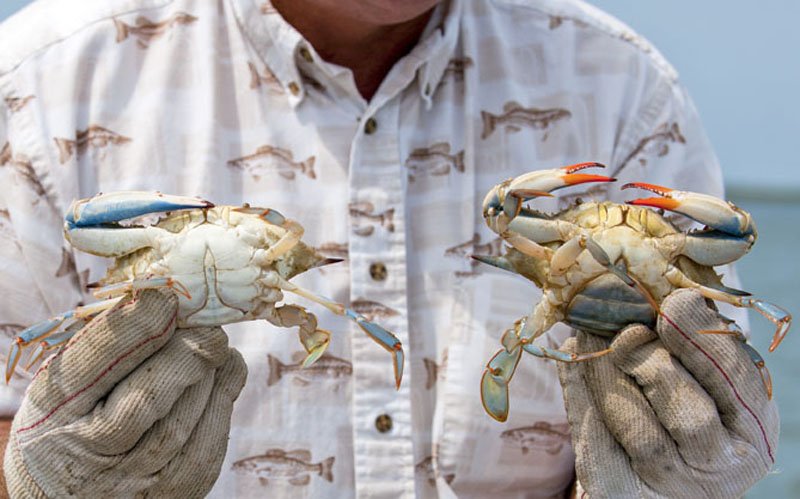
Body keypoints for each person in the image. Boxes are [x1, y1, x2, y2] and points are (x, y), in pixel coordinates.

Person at [0, 0, 778, 497]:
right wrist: (34, 484)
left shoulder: (621, 89)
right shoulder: (39, 85)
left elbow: (703, 377)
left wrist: (671, 475)